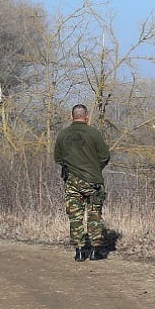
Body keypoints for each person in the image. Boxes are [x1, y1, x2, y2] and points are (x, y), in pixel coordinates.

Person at [53, 104, 111, 261]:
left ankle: (79, 251)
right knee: (94, 214)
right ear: (86, 117)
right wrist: (95, 168)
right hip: (93, 180)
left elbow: (58, 159)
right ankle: (94, 250)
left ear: (72, 117)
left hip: (72, 180)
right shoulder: (94, 134)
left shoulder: (63, 135)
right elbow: (105, 156)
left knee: (75, 216)